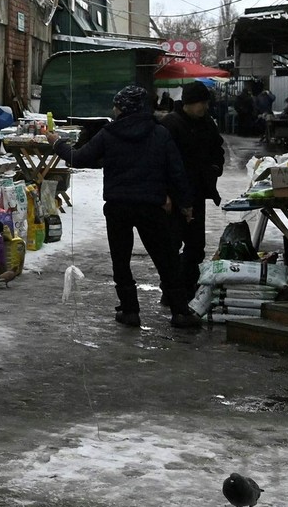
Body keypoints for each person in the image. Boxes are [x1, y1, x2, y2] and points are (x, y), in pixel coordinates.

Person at [69, 84, 197, 331]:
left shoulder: (108, 134)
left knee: (121, 259)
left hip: (118, 208)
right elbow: (176, 171)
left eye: (116, 105)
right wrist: (186, 204)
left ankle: (130, 311)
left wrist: (56, 144)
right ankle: (180, 312)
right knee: (166, 259)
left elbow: (79, 158)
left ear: (124, 108)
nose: (114, 110)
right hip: (152, 207)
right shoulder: (159, 133)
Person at [161, 81, 226, 305]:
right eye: (201, 102)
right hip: (175, 196)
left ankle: (188, 289)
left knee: (196, 246)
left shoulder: (207, 123)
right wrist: (165, 194)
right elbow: (161, 162)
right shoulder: (170, 124)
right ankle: (171, 291)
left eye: (206, 102)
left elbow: (218, 149)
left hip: (197, 194)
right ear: (188, 103)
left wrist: (215, 168)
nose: (204, 107)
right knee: (171, 245)